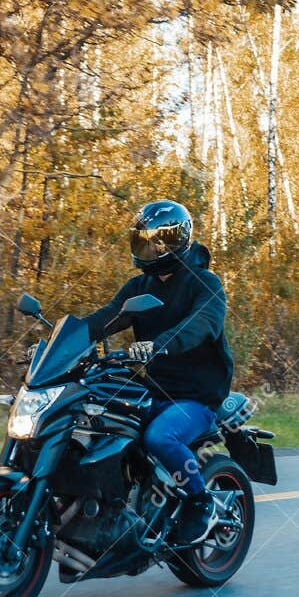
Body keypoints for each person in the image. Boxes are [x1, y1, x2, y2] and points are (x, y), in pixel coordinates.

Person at [82, 200, 234, 548]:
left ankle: (200, 502)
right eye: (143, 242)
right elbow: (105, 318)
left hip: (196, 395)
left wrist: (157, 345)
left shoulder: (205, 284)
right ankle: (108, 509)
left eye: (156, 243)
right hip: (153, 388)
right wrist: (56, 343)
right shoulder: (140, 287)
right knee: (95, 419)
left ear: (176, 242)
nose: (149, 250)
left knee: (160, 438)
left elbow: (201, 325)